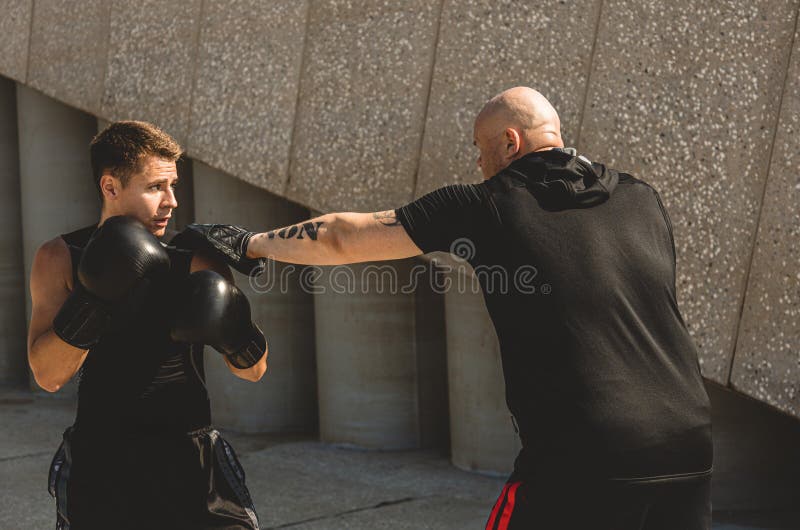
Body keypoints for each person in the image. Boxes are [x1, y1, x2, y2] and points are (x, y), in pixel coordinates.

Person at [182, 86, 713, 529]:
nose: (479, 164)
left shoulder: (486, 204)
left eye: (481, 150)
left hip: (582, 452)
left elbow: (345, 238)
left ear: (511, 141)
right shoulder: (642, 197)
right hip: (688, 445)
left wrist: (248, 243)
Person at [27, 121, 268, 529]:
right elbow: (48, 376)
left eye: (173, 185)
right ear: (110, 187)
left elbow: (255, 371)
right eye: (156, 187)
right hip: (100, 460)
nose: (172, 201)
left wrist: (237, 334)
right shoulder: (61, 257)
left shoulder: (193, 257)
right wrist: (95, 298)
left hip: (191, 458)